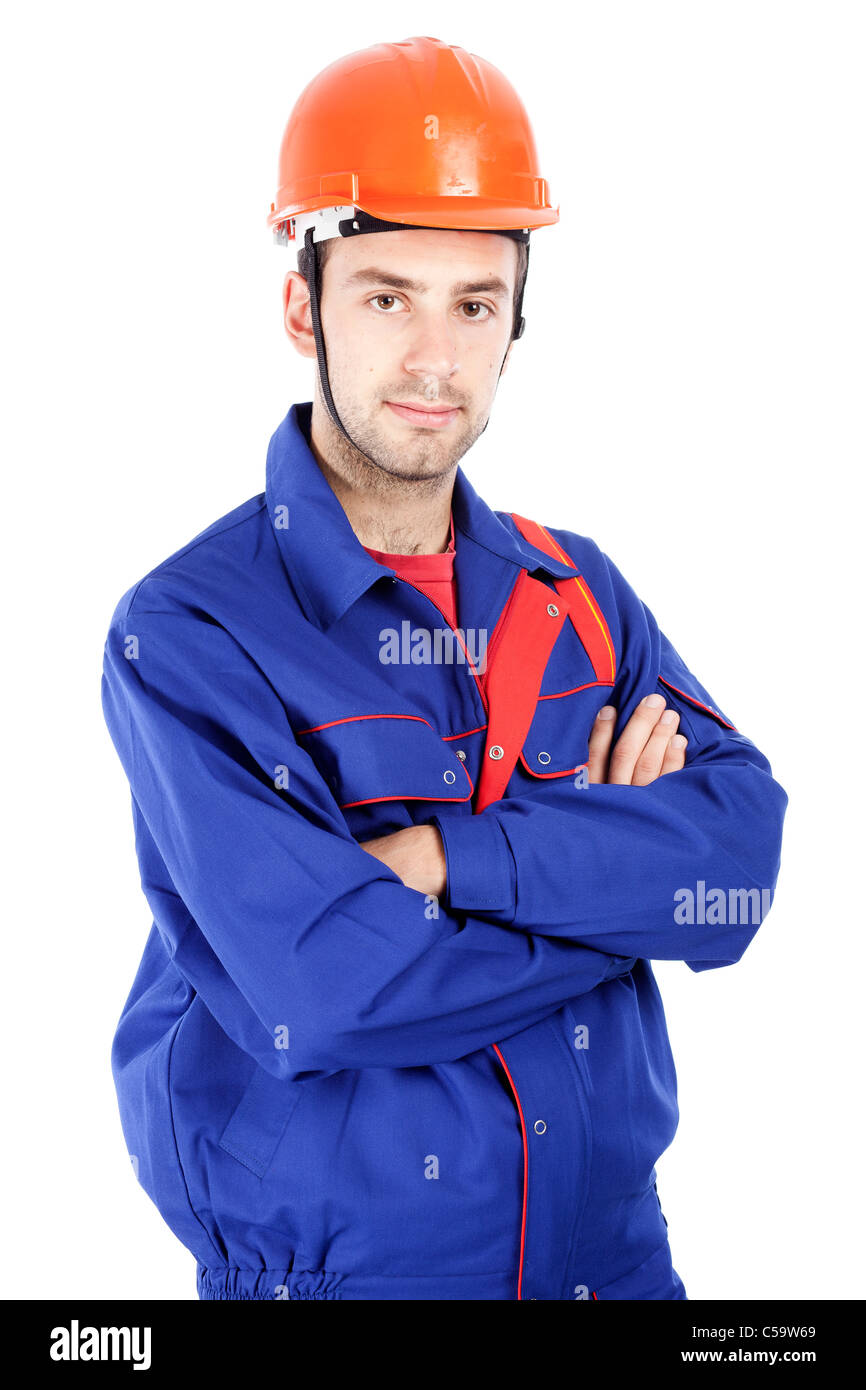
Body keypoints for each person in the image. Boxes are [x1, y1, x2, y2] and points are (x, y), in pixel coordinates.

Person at [101, 36, 787, 1302]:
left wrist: (448, 862)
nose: (433, 359)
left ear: (517, 316)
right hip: (352, 1281)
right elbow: (333, 986)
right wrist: (602, 870)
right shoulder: (192, 634)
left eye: (473, 302)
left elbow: (734, 870)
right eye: (385, 296)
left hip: (615, 1270)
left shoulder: (571, 588)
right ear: (302, 305)